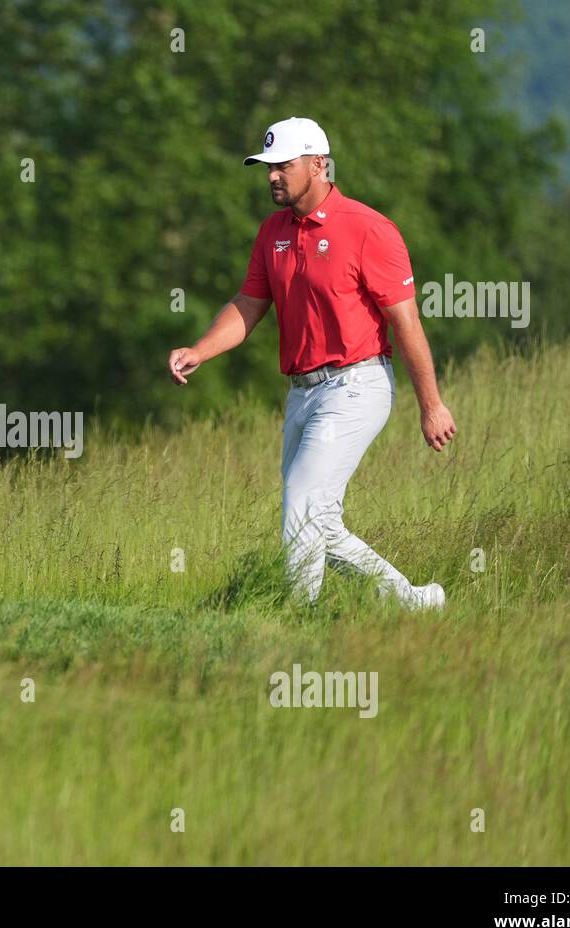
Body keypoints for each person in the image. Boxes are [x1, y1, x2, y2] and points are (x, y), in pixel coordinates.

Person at [167, 117, 456, 609]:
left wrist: (431, 405)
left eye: (283, 165)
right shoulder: (272, 232)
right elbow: (250, 304)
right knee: (317, 520)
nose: (272, 176)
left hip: (356, 386)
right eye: (268, 167)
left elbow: (406, 324)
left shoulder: (370, 229)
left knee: (302, 503)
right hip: (301, 393)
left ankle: (300, 618)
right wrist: (200, 349)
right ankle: (411, 602)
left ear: (318, 165)